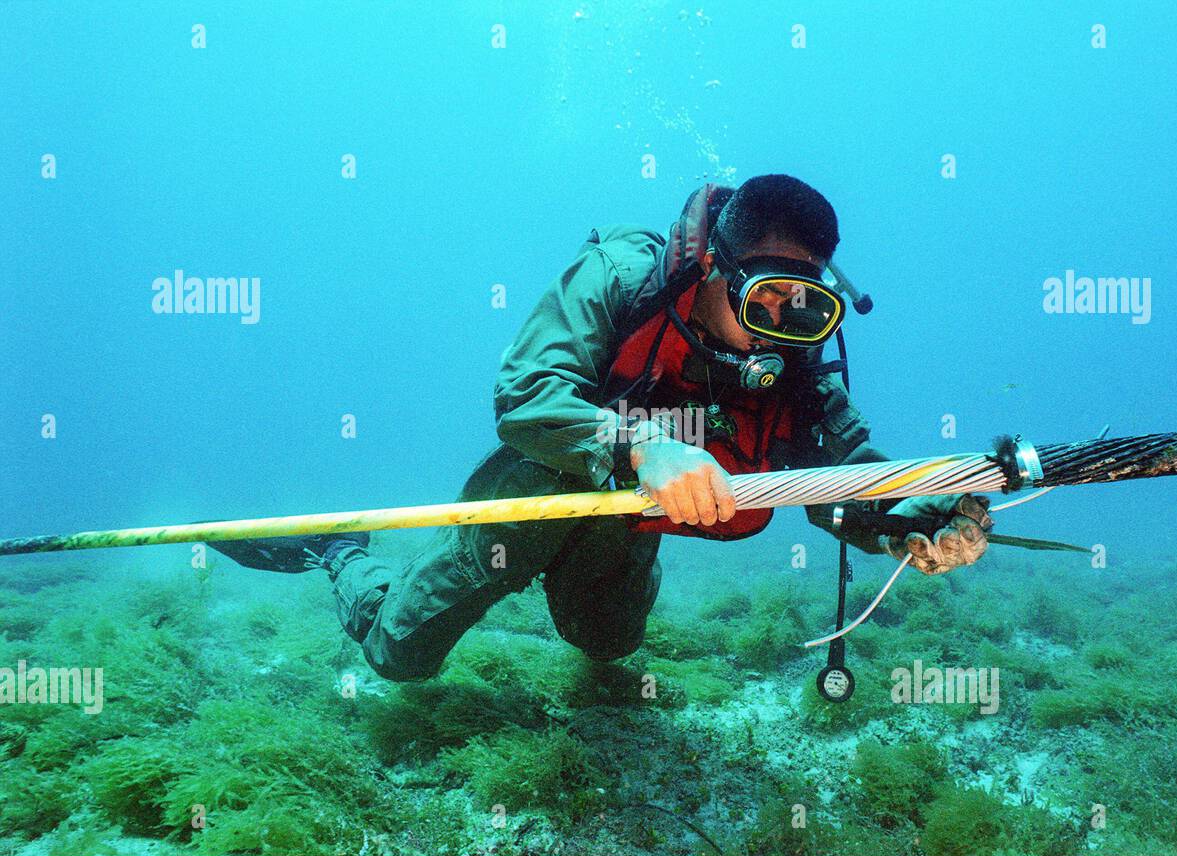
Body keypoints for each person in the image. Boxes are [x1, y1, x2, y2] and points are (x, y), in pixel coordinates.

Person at [213, 174, 992, 681]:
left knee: (608, 645)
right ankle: (341, 554)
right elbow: (525, 394)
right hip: (537, 496)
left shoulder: (797, 363)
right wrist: (641, 443)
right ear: (716, 268)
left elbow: (845, 478)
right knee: (400, 654)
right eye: (765, 302)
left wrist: (916, 525)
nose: (780, 333)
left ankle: (587, 595)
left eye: (805, 308)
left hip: (627, 524)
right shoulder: (624, 278)